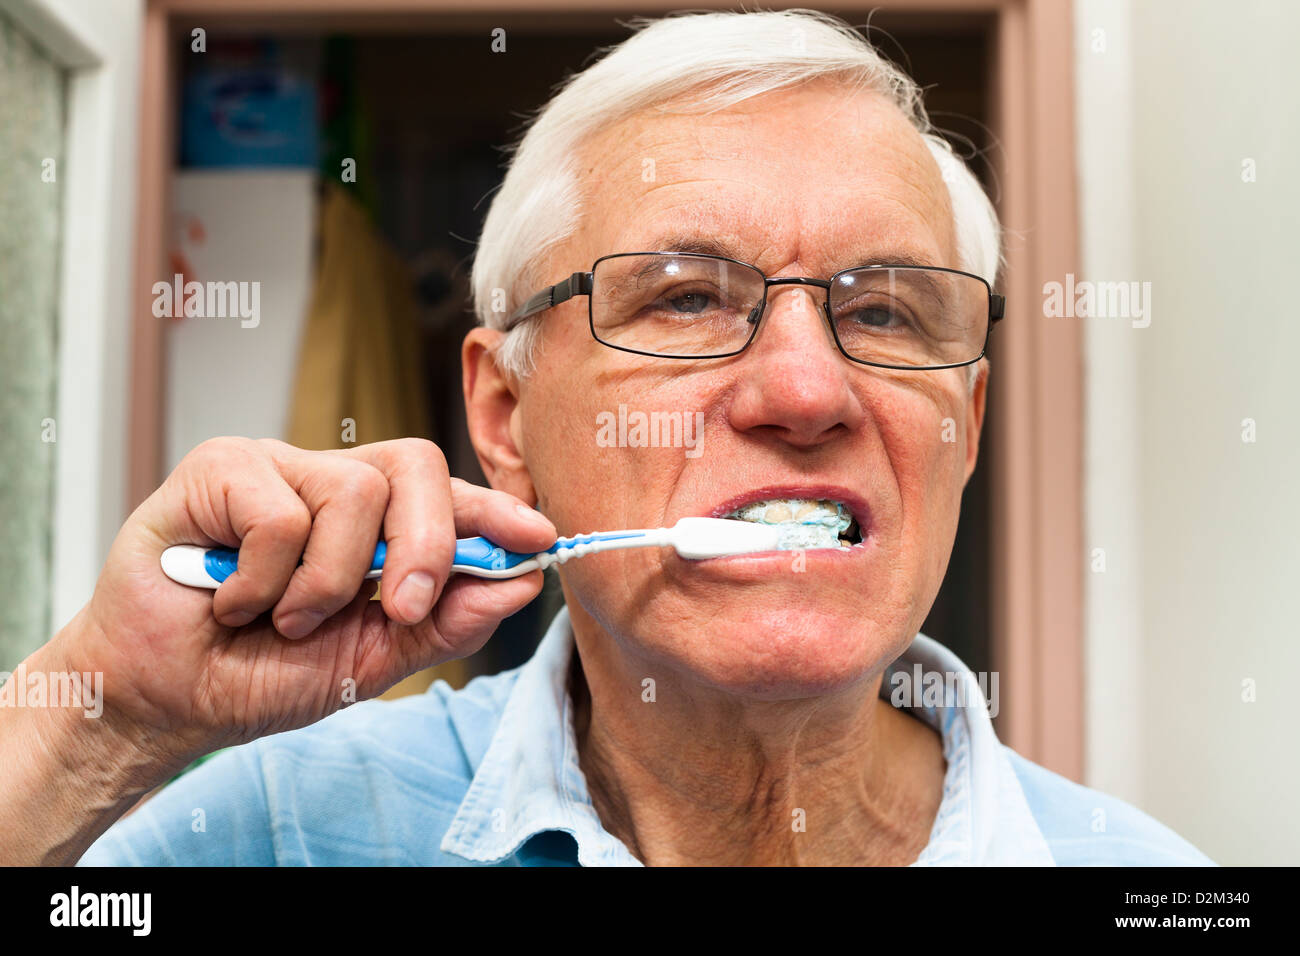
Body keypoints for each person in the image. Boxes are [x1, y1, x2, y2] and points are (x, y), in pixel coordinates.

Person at [2, 9, 1211, 866]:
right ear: (503, 418)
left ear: (968, 426)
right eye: (685, 295)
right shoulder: (282, 831)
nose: (805, 387)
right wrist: (96, 720)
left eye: (886, 308)